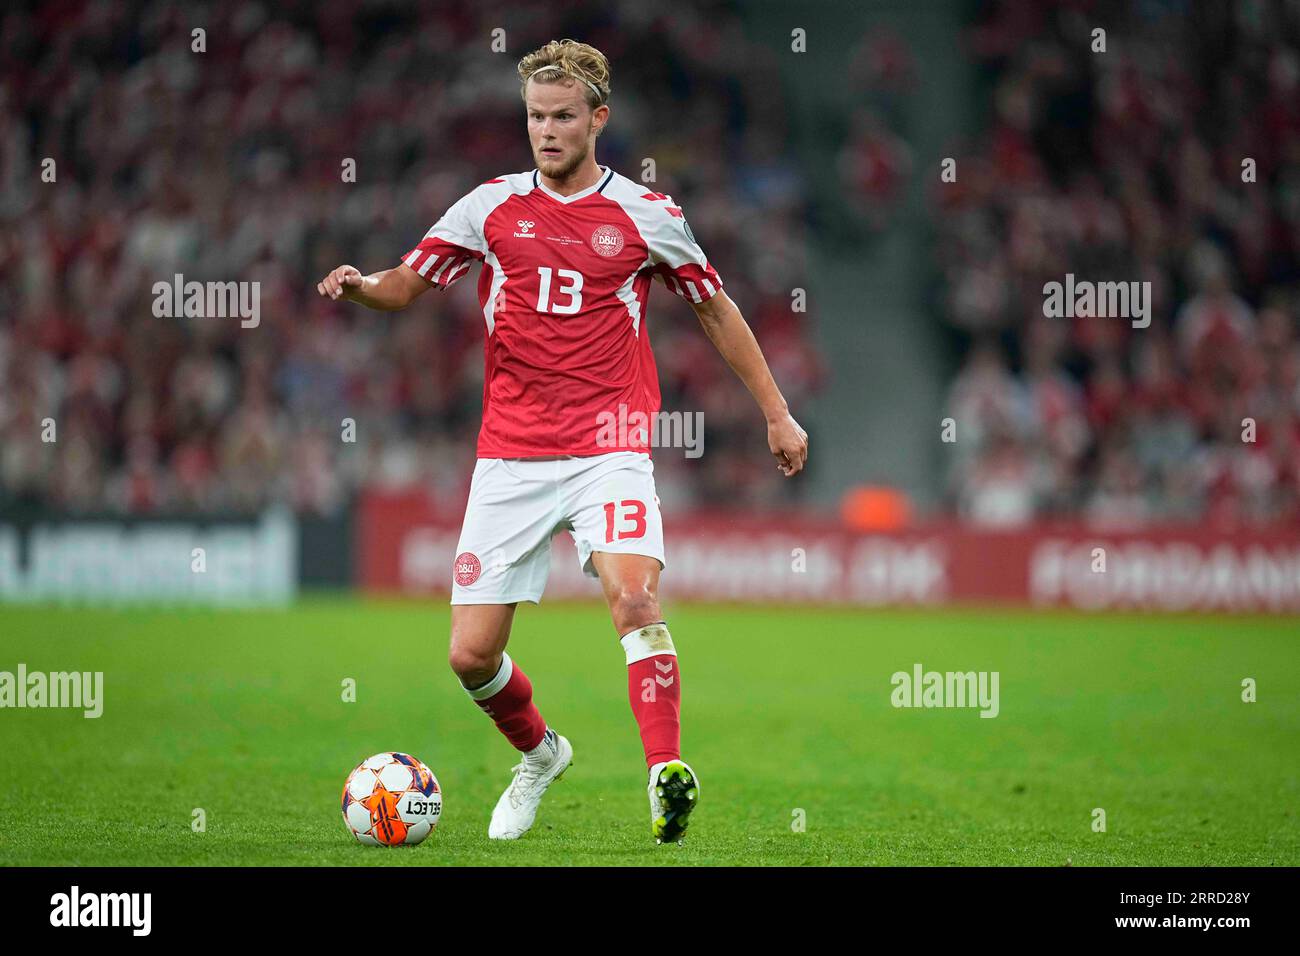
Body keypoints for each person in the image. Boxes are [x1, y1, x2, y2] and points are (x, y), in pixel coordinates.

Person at [317, 38, 807, 844]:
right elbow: (406, 284)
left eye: (562, 117)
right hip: (510, 454)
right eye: (536, 117)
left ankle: (664, 771)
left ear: (598, 120)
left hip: (609, 446)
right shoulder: (488, 207)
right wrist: (363, 286)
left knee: (634, 596)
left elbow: (716, 308)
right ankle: (540, 754)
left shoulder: (648, 216)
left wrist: (776, 411)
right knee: (471, 658)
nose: (546, 131)